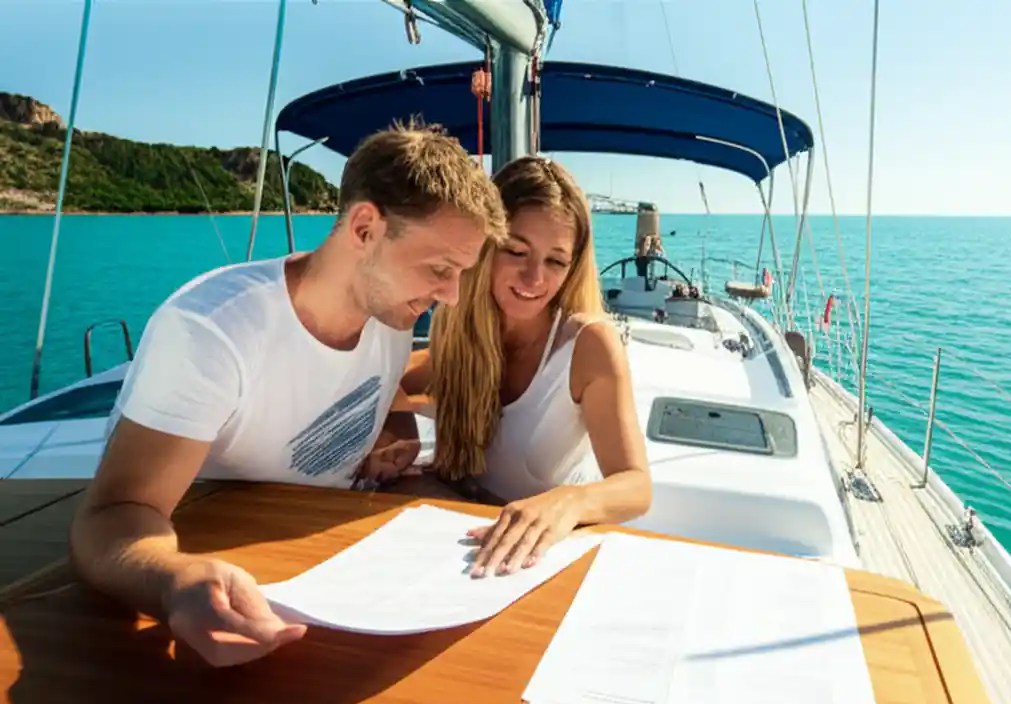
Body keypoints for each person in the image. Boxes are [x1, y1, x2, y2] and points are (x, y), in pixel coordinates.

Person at [68, 122, 507, 668]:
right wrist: (173, 582)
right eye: (441, 269)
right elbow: (112, 514)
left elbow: (377, 383)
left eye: (461, 273)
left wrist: (394, 427)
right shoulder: (213, 333)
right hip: (231, 567)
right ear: (365, 228)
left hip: (337, 560)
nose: (452, 296)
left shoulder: (390, 314)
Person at [399, 156, 652, 578]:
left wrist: (568, 501)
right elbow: (382, 387)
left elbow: (636, 486)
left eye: (555, 261)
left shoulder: (589, 344)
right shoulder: (460, 333)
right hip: (462, 546)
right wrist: (395, 443)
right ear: (484, 247)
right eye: (516, 250)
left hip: (542, 563)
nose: (534, 277)